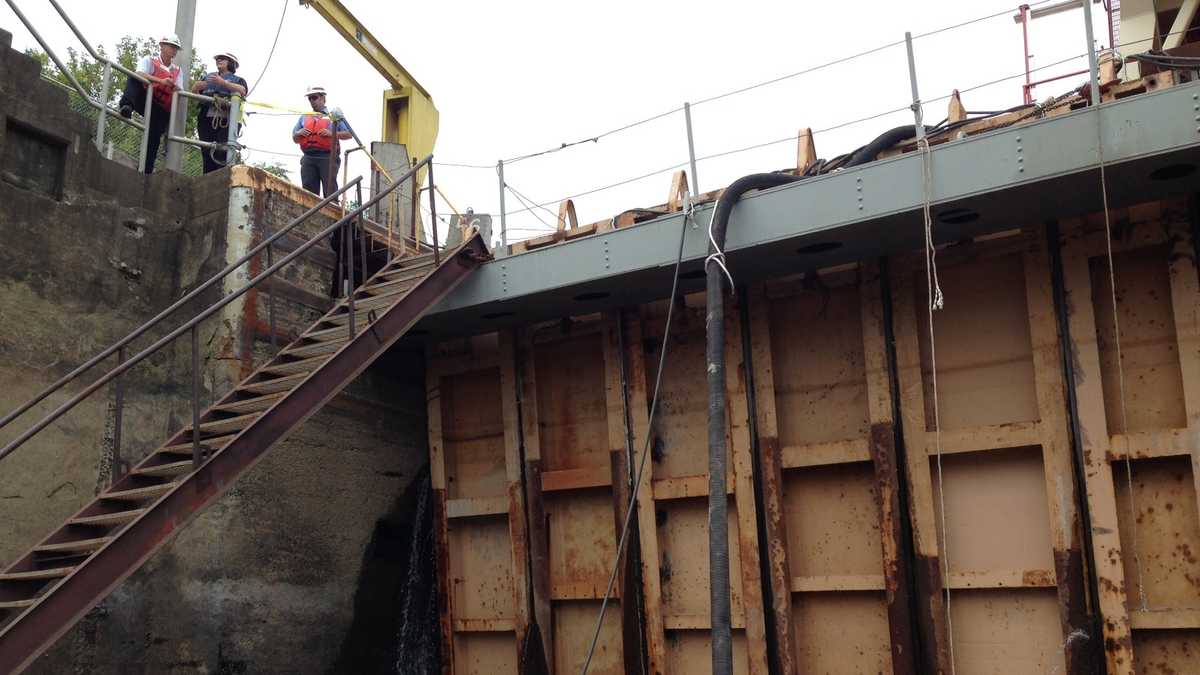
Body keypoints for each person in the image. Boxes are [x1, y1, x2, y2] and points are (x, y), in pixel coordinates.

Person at [118, 35, 186, 174]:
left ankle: (146, 171)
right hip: (145, 98)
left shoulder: (178, 71)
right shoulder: (149, 60)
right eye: (171, 46)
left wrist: (174, 86)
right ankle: (126, 106)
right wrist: (161, 81)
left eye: (176, 48)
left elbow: (180, 90)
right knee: (134, 78)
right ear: (161, 46)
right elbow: (139, 73)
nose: (174, 50)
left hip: (161, 109)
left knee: (154, 137)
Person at [191, 52, 247, 174]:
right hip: (206, 118)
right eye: (217, 59)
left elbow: (242, 91)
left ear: (231, 63)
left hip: (226, 120)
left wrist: (223, 83)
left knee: (221, 152)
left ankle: (220, 178)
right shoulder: (208, 77)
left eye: (223, 59)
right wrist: (196, 87)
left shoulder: (238, 80)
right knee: (206, 151)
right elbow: (196, 96)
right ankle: (206, 181)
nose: (219, 60)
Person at [292, 86, 351, 197]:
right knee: (308, 191)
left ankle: (332, 211)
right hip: (308, 157)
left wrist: (332, 134)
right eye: (309, 99)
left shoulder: (334, 115)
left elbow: (349, 134)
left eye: (314, 97)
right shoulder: (304, 117)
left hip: (328, 157)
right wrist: (298, 133)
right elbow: (295, 138)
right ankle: (310, 213)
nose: (311, 101)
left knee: (330, 190)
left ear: (323, 98)